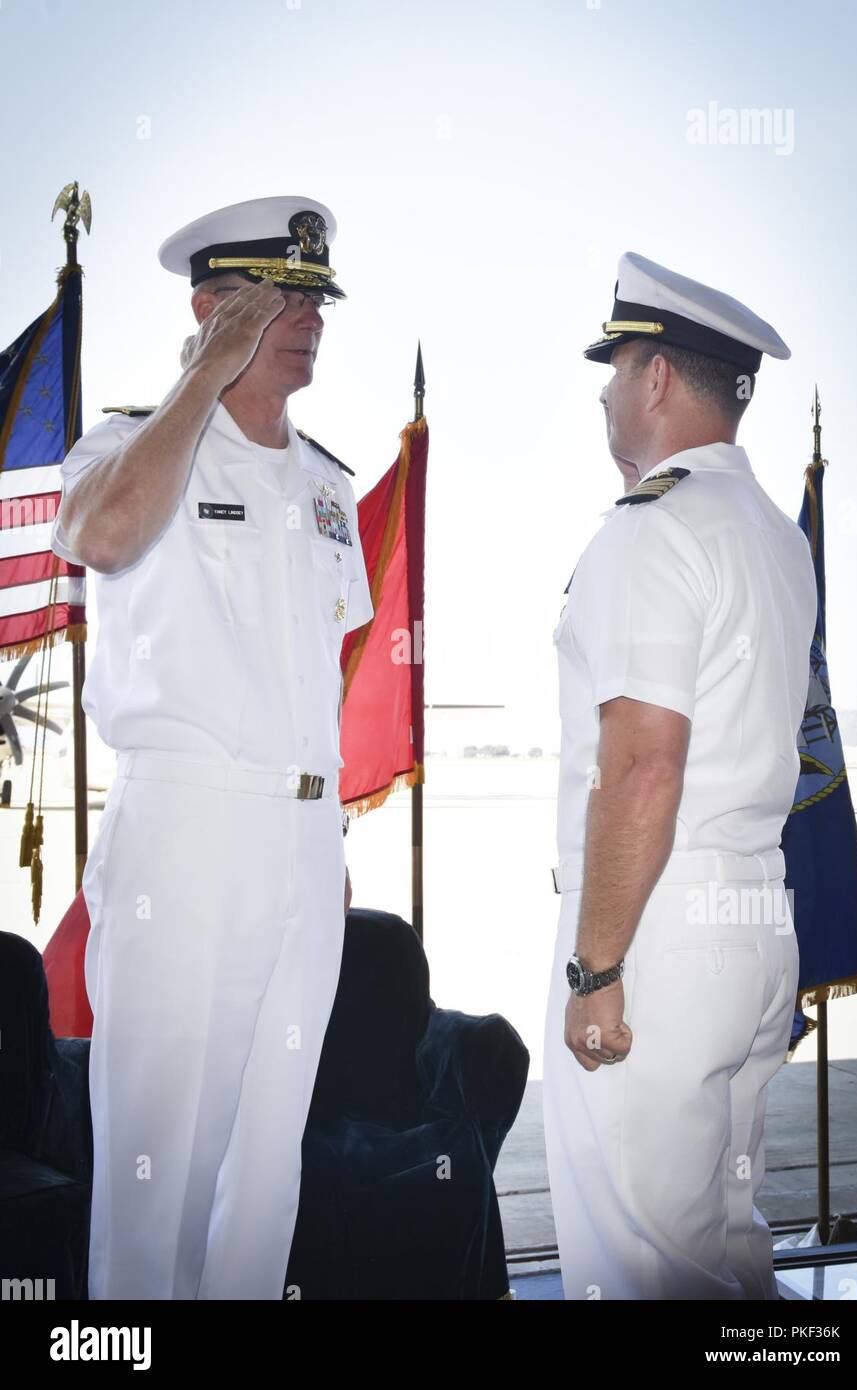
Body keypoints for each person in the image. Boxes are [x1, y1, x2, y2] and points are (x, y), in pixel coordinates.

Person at [50, 195, 374, 1299]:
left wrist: (316, 816)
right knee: (161, 1170)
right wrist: (201, 379)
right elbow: (97, 533)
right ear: (211, 307)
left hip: (298, 838)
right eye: (279, 298)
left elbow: (330, 652)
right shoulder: (136, 444)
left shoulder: (328, 485)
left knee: (264, 1164)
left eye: (316, 297)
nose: (309, 317)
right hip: (185, 833)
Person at [543, 251, 817, 1300]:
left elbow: (643, 764)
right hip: (751, 918)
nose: (606, 391)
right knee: (723, 1251)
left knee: (640, 1266)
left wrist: (594, 970)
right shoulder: (772, 537)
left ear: (654, 376)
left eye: (614, 367)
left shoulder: (651, 530)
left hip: (656, 937)